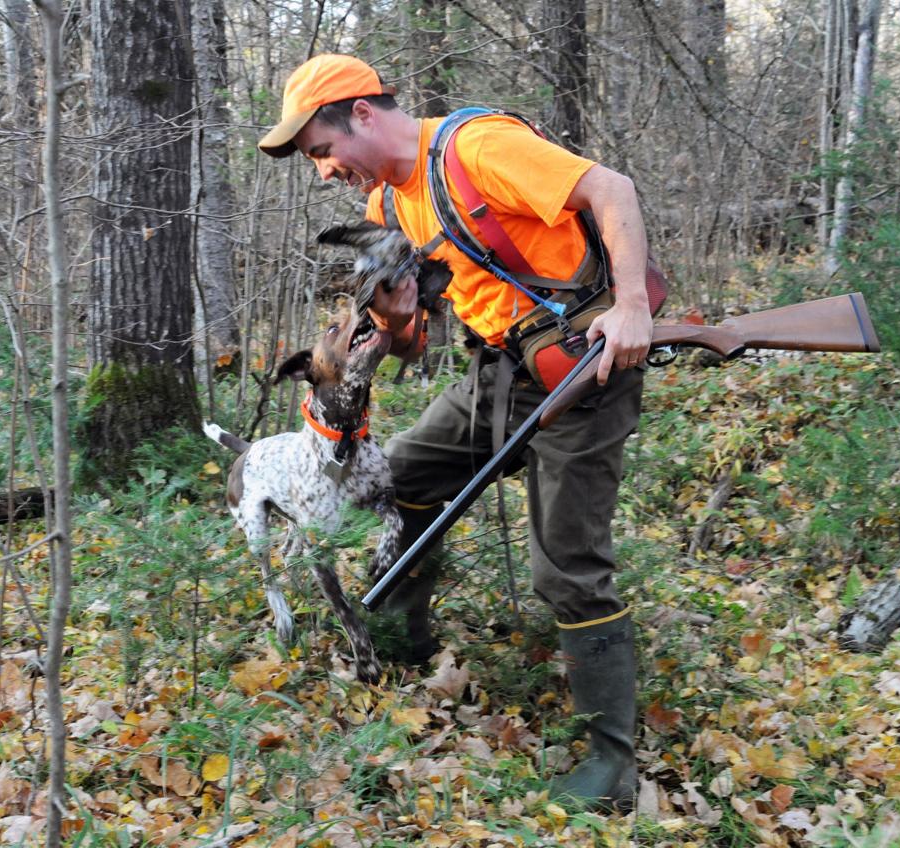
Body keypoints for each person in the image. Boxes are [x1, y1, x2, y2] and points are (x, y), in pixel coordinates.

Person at [258, 54, 654, 811]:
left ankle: (612, 764)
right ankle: (405, 645)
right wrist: (397, 324)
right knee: (402, 479)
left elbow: (612, 189)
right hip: (500, 371)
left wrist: (631, 304)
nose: (325, 170)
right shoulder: (389, 207)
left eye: (323, 150)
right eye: (314, 159)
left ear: (363, 114)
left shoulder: (476, 149)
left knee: (566, 568)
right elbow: (416, 342)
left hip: (584, 366)